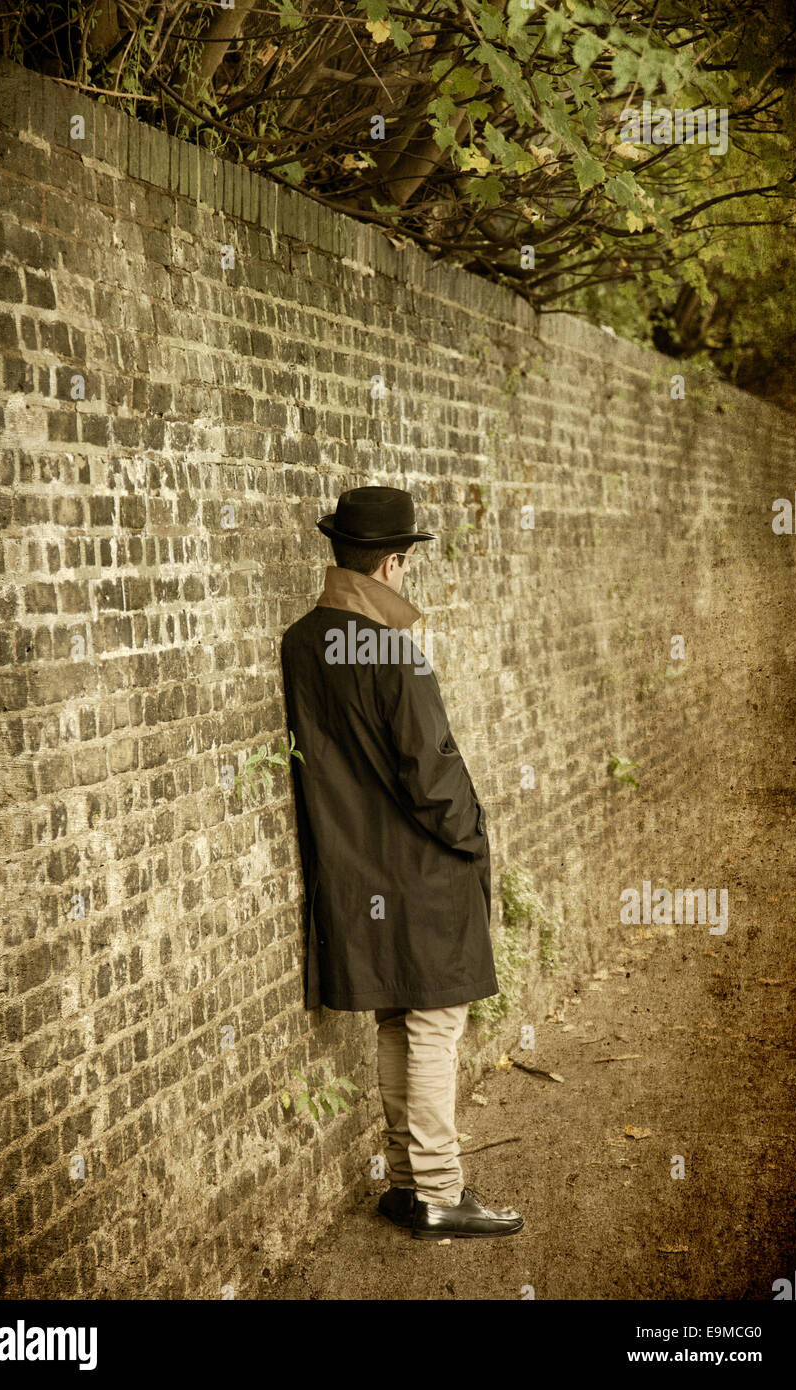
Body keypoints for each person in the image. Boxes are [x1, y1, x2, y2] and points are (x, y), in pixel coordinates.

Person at [280, 485, 524, 1240]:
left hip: (356, 874)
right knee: (433, 1029)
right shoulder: (394, 651)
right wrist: (476, 839)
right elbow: (434, 778)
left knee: (398, 1022)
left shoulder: (300, 642)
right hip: (421, 876)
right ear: (391, 563)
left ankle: (405, 1186)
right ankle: (443, 1195)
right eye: (406, 563)